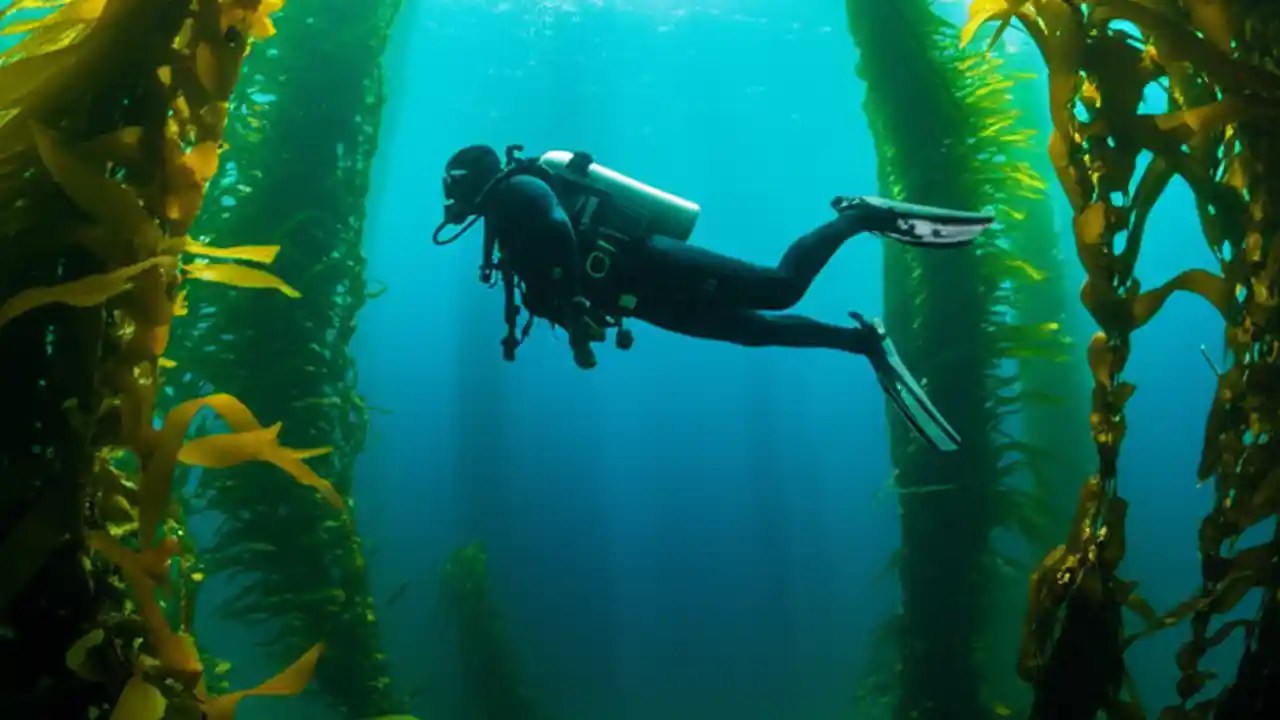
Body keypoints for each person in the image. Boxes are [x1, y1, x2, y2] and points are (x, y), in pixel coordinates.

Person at [431, 144, 995, 451]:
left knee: (779, 288)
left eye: (452, 191)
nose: (452, 206)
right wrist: (575, 318)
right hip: (643, 300)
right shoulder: (503, 226)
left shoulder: (519, 191)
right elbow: (547, 278)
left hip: (649, 262)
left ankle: (857, 217)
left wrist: (574, 303)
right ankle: (861, 342)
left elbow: (557, 231)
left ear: (466, 181)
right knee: (754, 331)